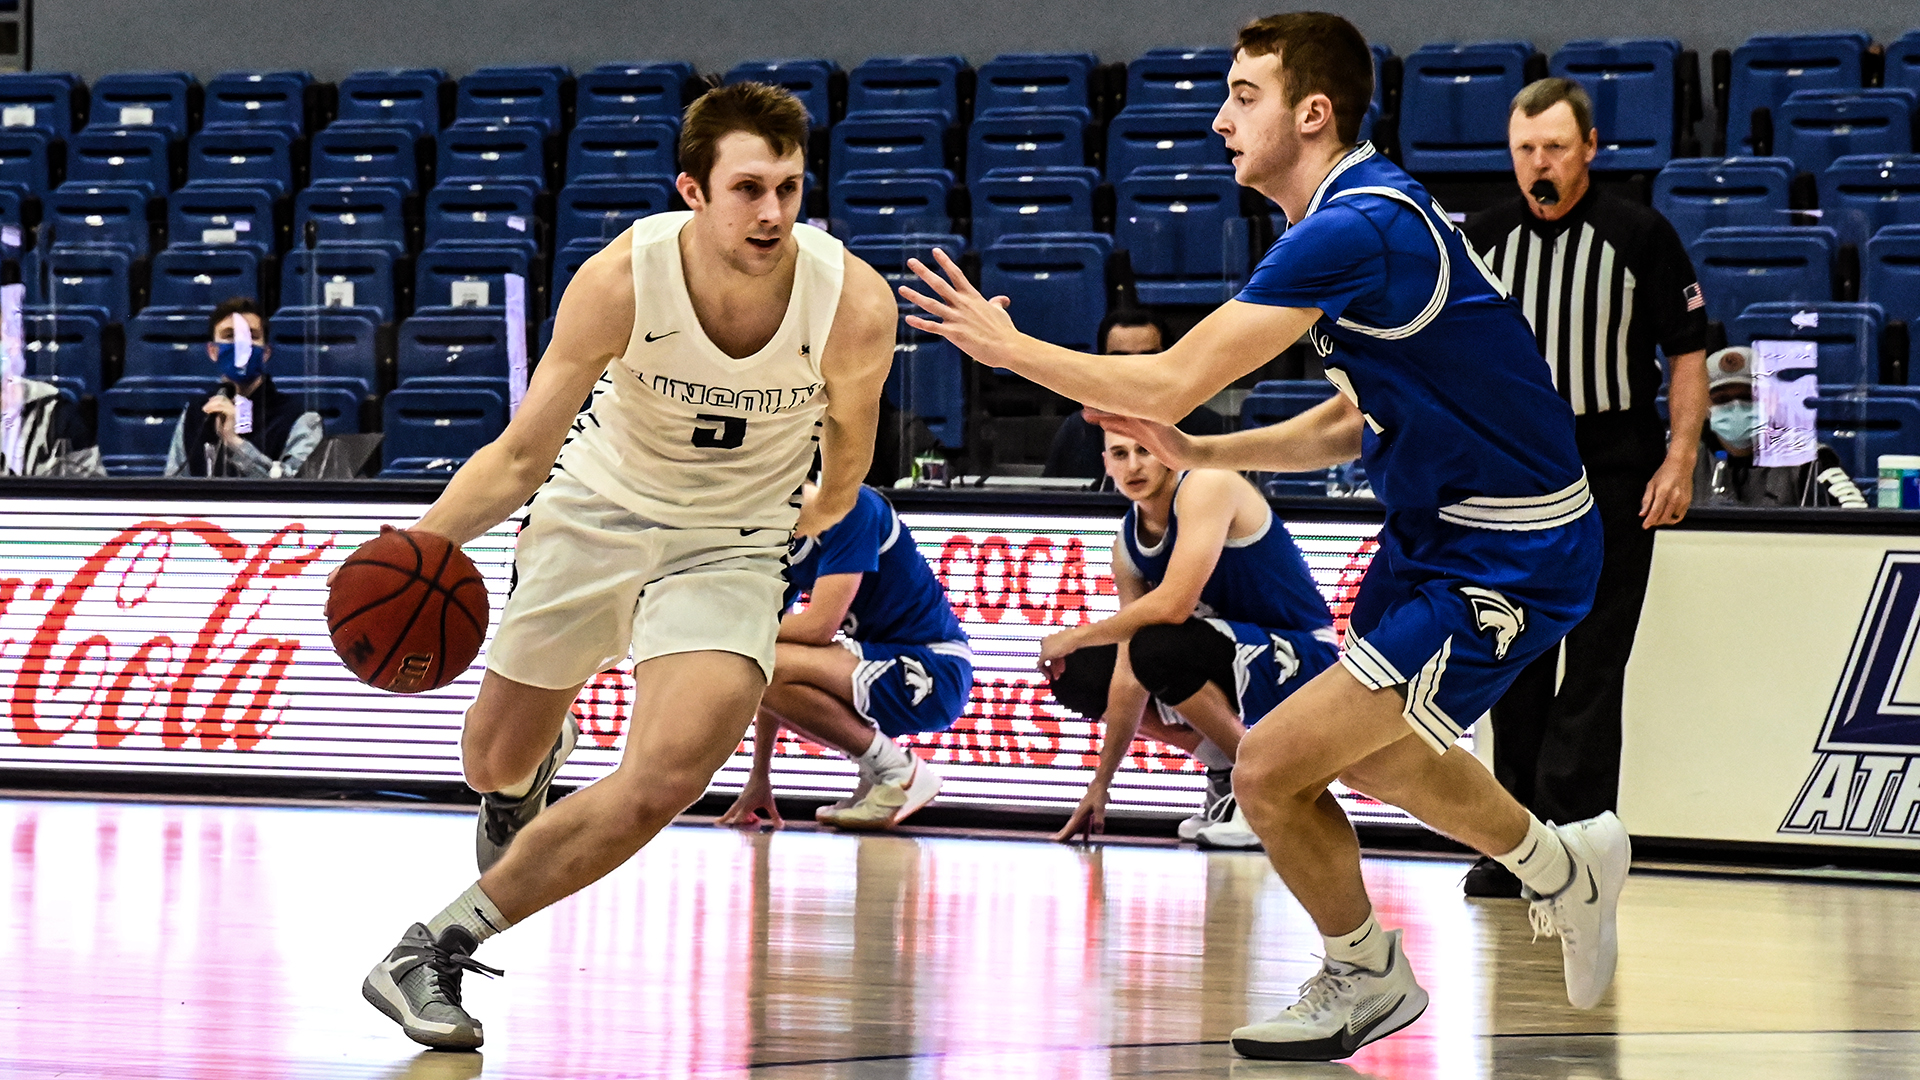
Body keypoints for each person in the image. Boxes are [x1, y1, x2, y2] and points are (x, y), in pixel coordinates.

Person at [899, 13, 1625, 1061]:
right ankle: (1566, 865)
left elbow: (1163, 378)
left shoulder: (1356, 226)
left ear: (1312, 112)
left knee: (1271, 766)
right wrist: (1203, 455)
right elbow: (1346, 418)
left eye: (1244, 94)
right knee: (1378, 761)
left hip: (1514, 547)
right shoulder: (1350, 220)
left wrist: (1011, 348)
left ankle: (1368, 973)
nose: (1220, 116)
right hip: (1435, 537)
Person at [358, 82, 897, 1050]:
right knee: (492, 757)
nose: (773, 212)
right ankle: (527, 778)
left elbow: (851, 459)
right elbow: (523, 454)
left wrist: (794, 526)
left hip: (730, 543)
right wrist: (420, 545)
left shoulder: (853, 303)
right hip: (596, 509)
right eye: (747, 189)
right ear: (692, 190)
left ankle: (429, 951)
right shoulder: (622, 278)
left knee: (668, 774)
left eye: (789, 187)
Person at [1456, 78, 1710, 898]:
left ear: (1590, 150)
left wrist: (1680, 458)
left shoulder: (1641, 233)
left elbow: (1689, 352)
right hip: (1514, 468)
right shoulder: (1484, 238)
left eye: (1556, 147)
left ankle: (1579, 842)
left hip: (1613, 459)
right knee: (1514, 658)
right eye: (1527, 148)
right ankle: (1514, 841)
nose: (1541, 163)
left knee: (1596, 661)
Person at [1044, 427, 1339, 849]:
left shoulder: (1208, 484)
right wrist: (1100, 783)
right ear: (1105, 463)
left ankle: (1264, 785)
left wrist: (1079, 634)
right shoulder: (1126, 544)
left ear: (1167, 453)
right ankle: (1222, 763)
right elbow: (1129, 673)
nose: (1133, 465)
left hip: (1303, 657)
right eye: (1120, 454)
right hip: (1226, 653)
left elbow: (1173, 606)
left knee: (1158, 645)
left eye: (1144, 450)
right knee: (1084, 672)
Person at [715, 482, 973, 831]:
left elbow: (818, 627)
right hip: (884, 664)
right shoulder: (783, 539)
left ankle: (899, 771)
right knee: (754, 663)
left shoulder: (851, 505)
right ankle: (881, 771)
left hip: (935, 668)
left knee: (760, 655)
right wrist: (760, 775)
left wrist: (724, 626)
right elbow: (764, 659)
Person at [1042, 307, 1227, 479]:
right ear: (1101, 363)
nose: (1133, 370)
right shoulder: (1077, 429)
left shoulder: (1208, 427)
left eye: (1146, 357)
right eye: (1120, 359)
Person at [164, 298, 325, 478]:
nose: (241, 345)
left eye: (252, 336)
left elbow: (296, 489)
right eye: (229, 335)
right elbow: (174, 482)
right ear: (212, 351)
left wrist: (234, 443)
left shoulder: (301, 419)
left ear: (266, 352)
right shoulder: (195, 414)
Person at [1693, 345, 1868, 508]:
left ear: (1772, 401)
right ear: (1704, 406)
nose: (1736, 407)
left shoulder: (1810, 461)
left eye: (1749, 397)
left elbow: (1858, 523)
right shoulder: (1681, 458)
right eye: (1721, 400)